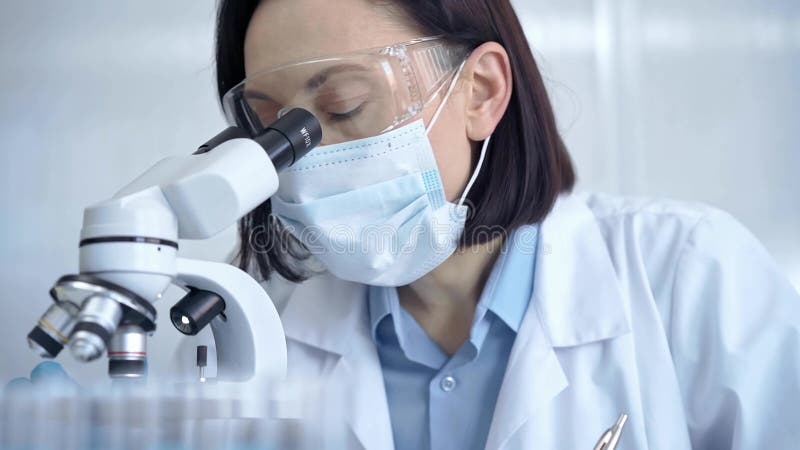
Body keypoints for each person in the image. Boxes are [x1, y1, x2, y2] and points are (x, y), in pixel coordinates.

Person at [13, 1, 800, 449]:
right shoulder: (251, 334)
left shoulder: (694, 281)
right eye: (270, 129)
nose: (307, 161)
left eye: (345, 108)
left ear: (482, 92)